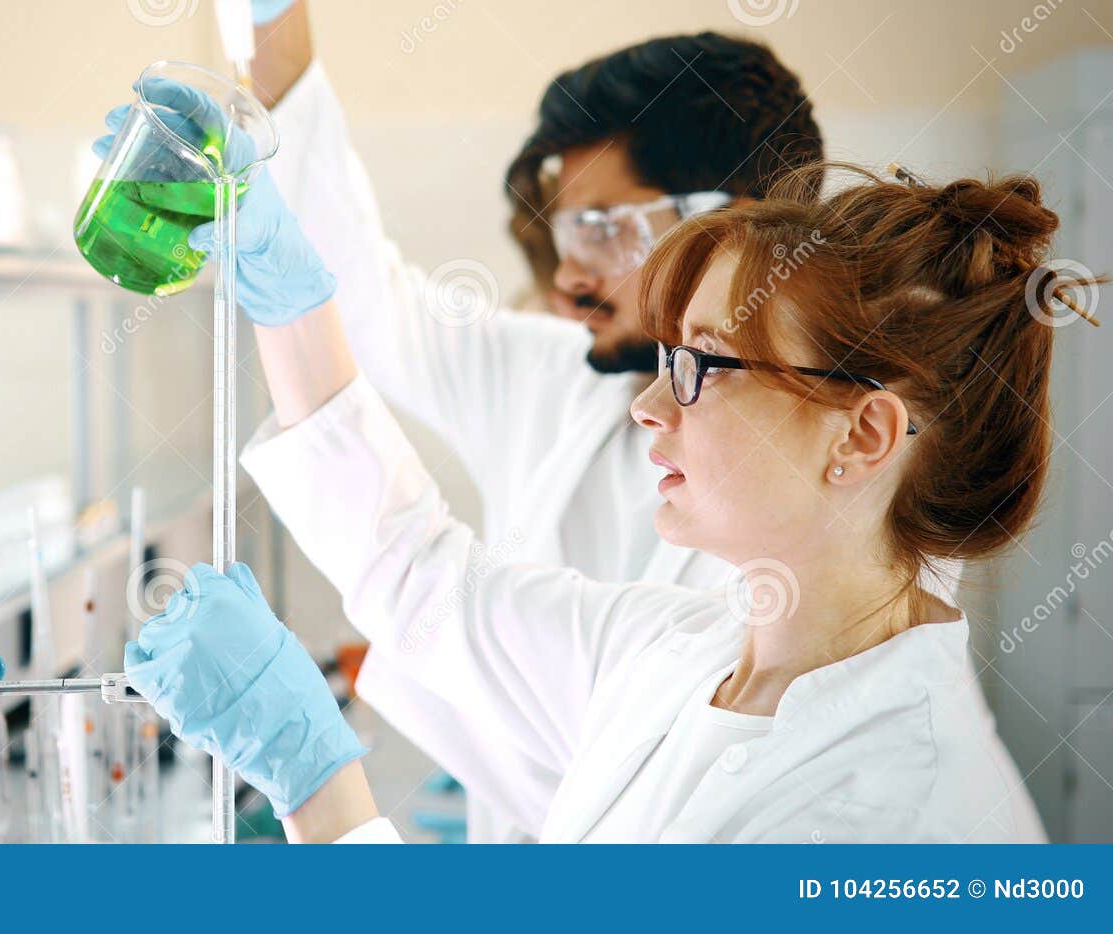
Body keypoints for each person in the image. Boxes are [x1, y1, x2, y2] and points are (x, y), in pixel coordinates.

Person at [124, 159, 1089, 841]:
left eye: (702, 366)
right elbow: (422, 579)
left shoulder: (887, 821)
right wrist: (286, 300)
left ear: (864, 436)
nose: (648, 404)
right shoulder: (688, 653)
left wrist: (325, 797)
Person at [242, 3, 825, 840]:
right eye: (565, 229)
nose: (567, 278)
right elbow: (366, 303)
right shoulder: (557, 372)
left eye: (603, 228)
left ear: (727, 221)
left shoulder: (823, 484)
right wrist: (269, 27)